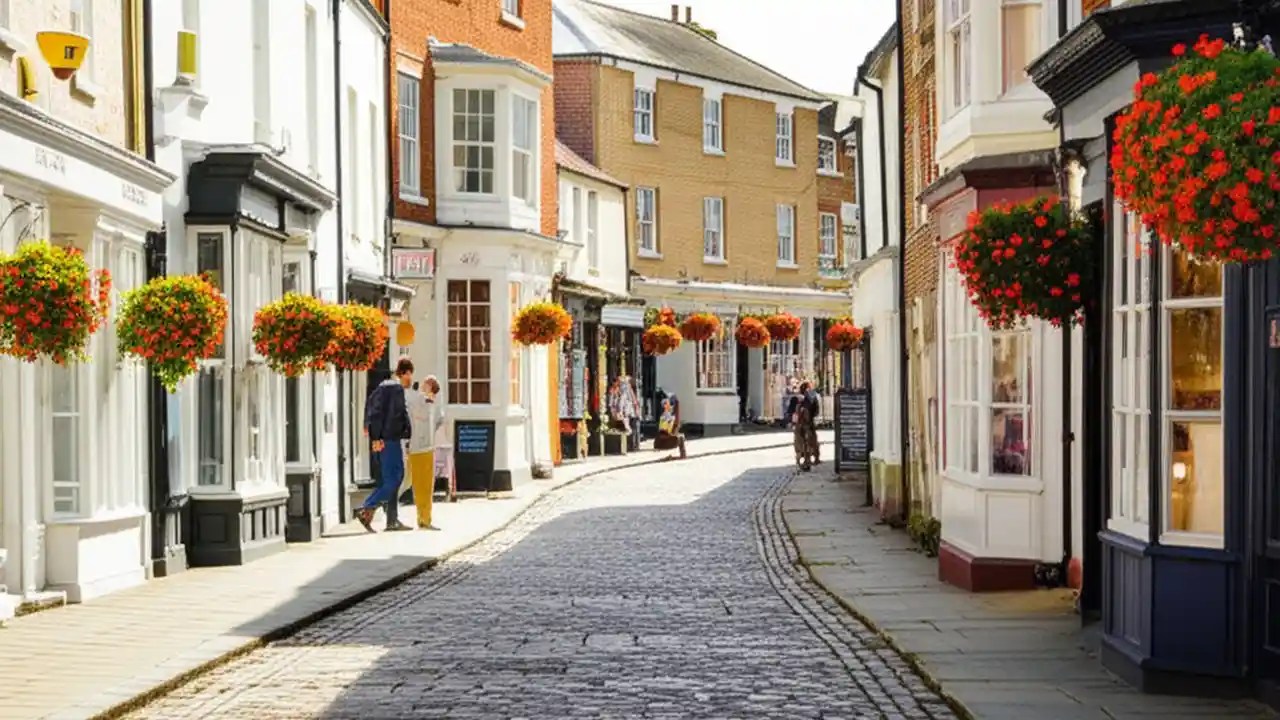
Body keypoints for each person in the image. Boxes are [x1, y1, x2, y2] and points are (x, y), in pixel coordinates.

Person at [358, 357, 414, 532]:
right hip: (390, 439)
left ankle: (391, 519)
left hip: (381, 439)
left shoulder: (381, 388)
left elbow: (373, 412)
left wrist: (375, 437)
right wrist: (405, 432)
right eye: (410, 375)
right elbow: (397, 415)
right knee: (396, 477)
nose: (411, 380)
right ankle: (368, 507)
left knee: (390, 479)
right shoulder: (396, 389)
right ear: (405, 373)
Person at [406, 375, 442, 530]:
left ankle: (424, 518)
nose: (423, 386)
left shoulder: (428, 402)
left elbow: (438, 420)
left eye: (426, 384)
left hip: (425, 448)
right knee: (419, 485)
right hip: (418, 447)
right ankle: (423, 518)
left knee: (425, 487)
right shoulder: (420, 401)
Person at [792, 381, 820, 471]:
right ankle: (813, 459)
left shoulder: (798, 398)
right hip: (809, 423)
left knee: (801, 442)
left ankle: (803, 460)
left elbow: (793, 411)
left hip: (800, 423)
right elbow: (816, 411)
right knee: (811, 441)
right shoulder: (813, 396)